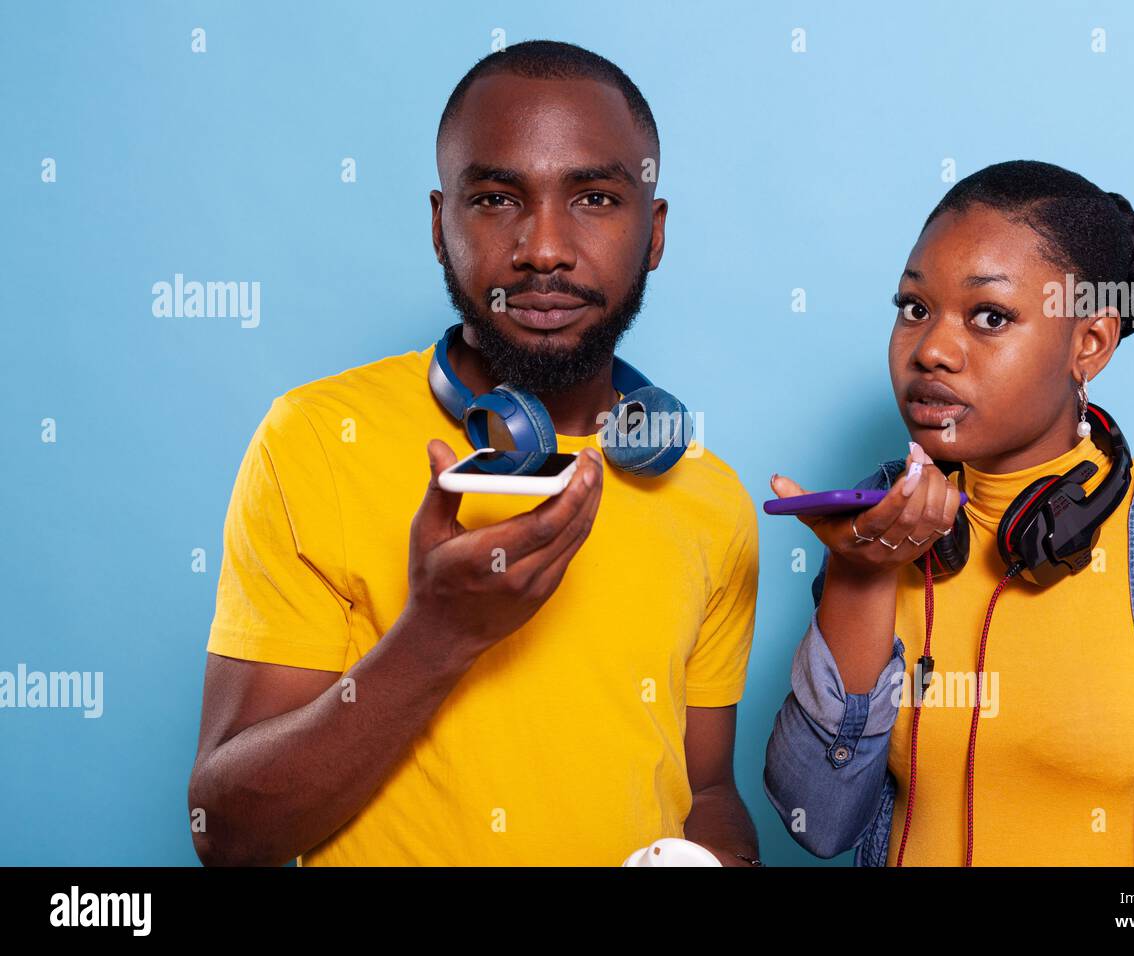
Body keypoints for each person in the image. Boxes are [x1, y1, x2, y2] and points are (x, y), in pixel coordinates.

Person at [188, 40, 761, 867]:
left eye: (596, 197)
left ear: (655, 231)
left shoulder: (710, 496)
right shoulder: (314, 438)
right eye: (496, 199)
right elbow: (227, 833)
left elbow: (706, 789)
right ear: (438, 223)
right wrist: (438, 636)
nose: (544, 250)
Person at [764, 160, 1134, 866]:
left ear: (1090, 344)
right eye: (914, 308)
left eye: (990, 317)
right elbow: (817, 821)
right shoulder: (881, 521)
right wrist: (858, 575)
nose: (931, 350)